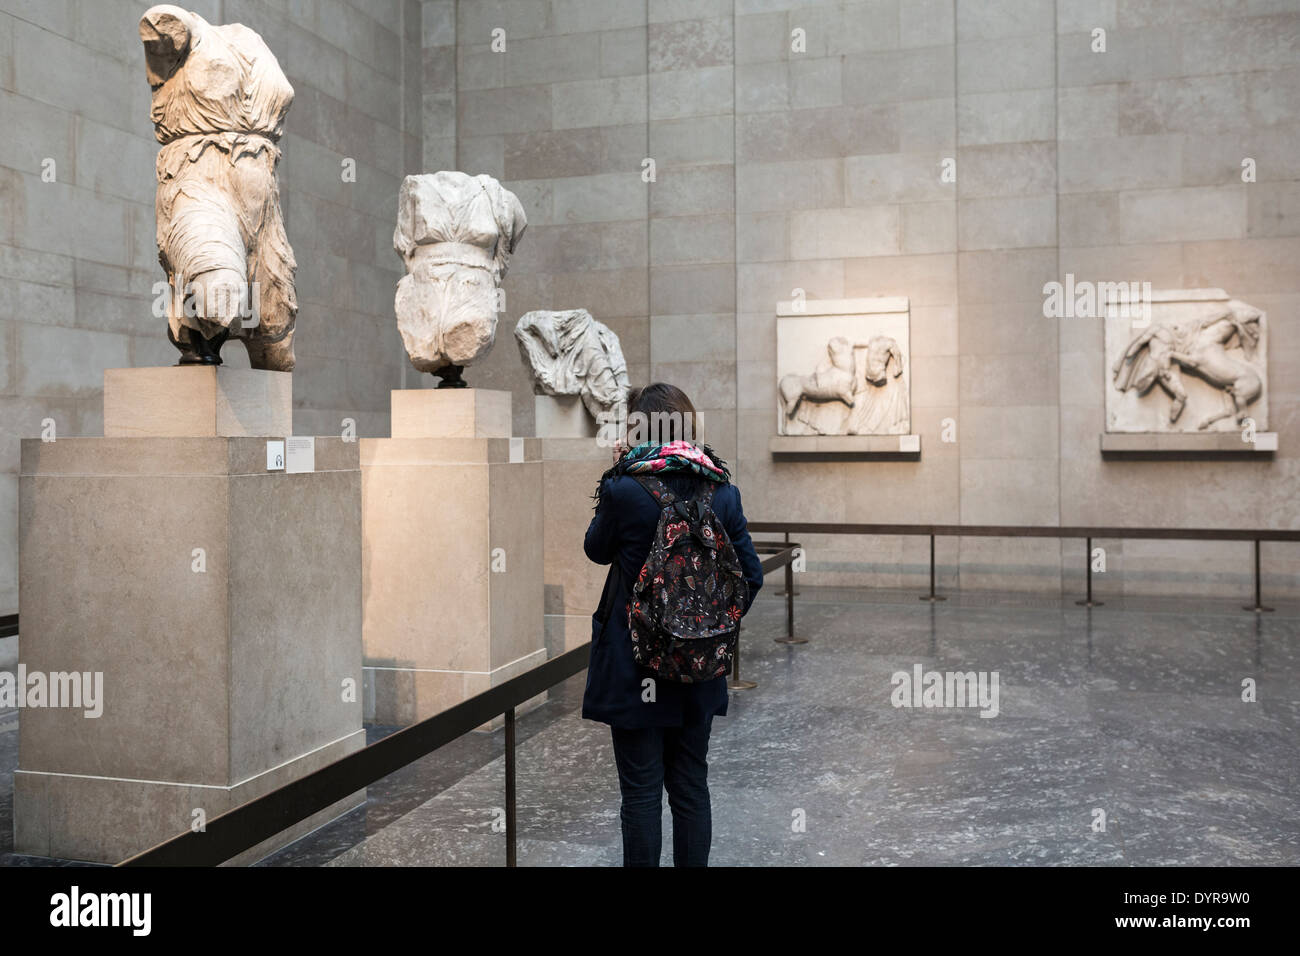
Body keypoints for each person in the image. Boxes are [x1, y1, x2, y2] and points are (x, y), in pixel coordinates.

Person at [582, 383, 764, 866]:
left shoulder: (624, 489)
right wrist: (704, 627)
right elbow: (751, 576)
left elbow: (595, 549)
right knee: (690, 786)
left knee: (641, 794)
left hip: (634, 666)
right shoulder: (721, 488)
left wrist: (616, 468)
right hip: (698, 666)